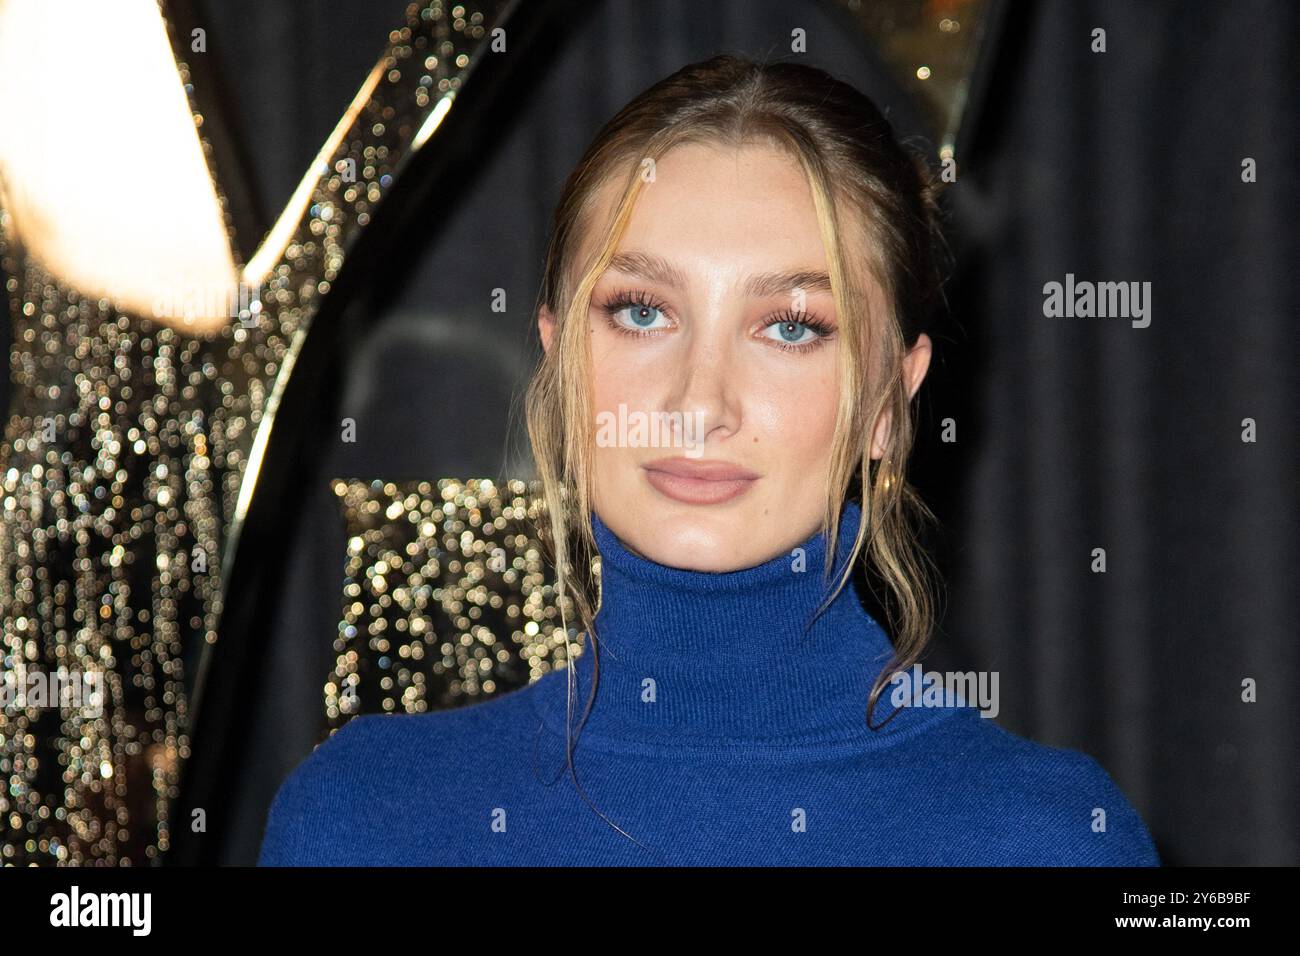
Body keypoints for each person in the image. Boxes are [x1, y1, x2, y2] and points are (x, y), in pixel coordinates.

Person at [258, 53, 1160, 866]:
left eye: (791, 326)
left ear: (889, 399)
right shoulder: (363, 815)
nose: (700, 404)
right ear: (559, 356)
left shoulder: (1048, 835)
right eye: (642, 311)